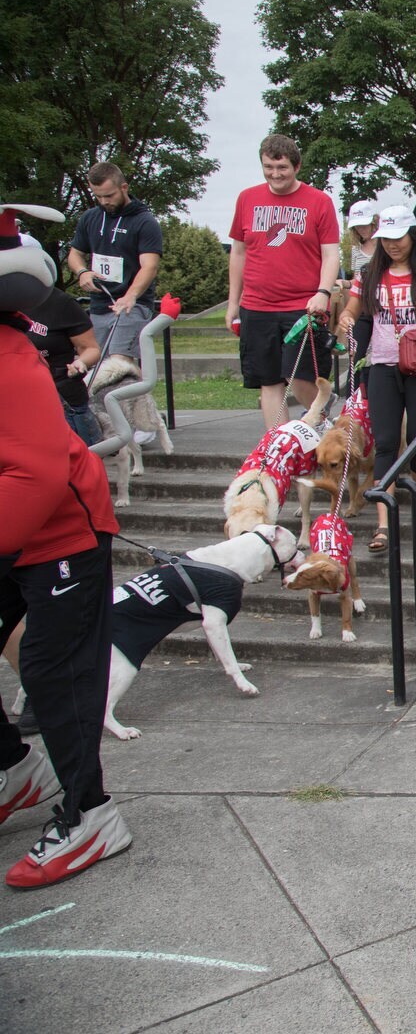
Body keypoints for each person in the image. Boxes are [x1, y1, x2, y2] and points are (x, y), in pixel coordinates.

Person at [0, 208, 129, 887]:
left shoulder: (9, 358)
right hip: (19, 530)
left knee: (57, 672)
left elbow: (38, 471)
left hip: (62, 533)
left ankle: (90, 815)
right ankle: (13, 768)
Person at [336, 206, 416, 552]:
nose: (392, 245)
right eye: (385, 239)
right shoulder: (371, 272)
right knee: (387, 441)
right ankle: (383, 524)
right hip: (382, 364)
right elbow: (352, 308)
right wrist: (347, 318)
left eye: (398, 238)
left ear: (413, 235)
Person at [227, 134, 342, 431]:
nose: (275, 174)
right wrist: (233, 303)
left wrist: (323, 292)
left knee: (302, 377)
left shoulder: (319, 202)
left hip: (302, 306)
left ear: (297, 166)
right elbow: (238, 253)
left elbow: (331, 255)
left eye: (282, 168)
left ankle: (328, 430)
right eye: (268, 167)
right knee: (269, 381)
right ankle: (279, 447)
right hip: (256, 305)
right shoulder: (247, 199)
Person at [66, 162, 163, 361]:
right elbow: (75, 254)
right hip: (99, 305)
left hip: (132, 305)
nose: (104, 201)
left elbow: (150, 266)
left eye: (109, 196)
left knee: (119, 363)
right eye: (98, 196)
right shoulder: (89, 218)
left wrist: (130, 296)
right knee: (94, 362)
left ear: (124, 187)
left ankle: (130, 390)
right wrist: (82, 272)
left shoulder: (145, 221)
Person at [22, 284, 102, 446]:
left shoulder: (61, 303)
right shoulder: (6, 304)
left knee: (76, 466)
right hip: (18, 404)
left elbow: (90, 348)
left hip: (64, 401)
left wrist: (81, 362)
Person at [344, 200, 378, 280]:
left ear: (373, 222)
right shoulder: (356, 249)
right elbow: (356, 280)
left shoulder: (384, 246)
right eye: (357, 226)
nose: (361, 229)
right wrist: (345, 283)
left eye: (364, 225)